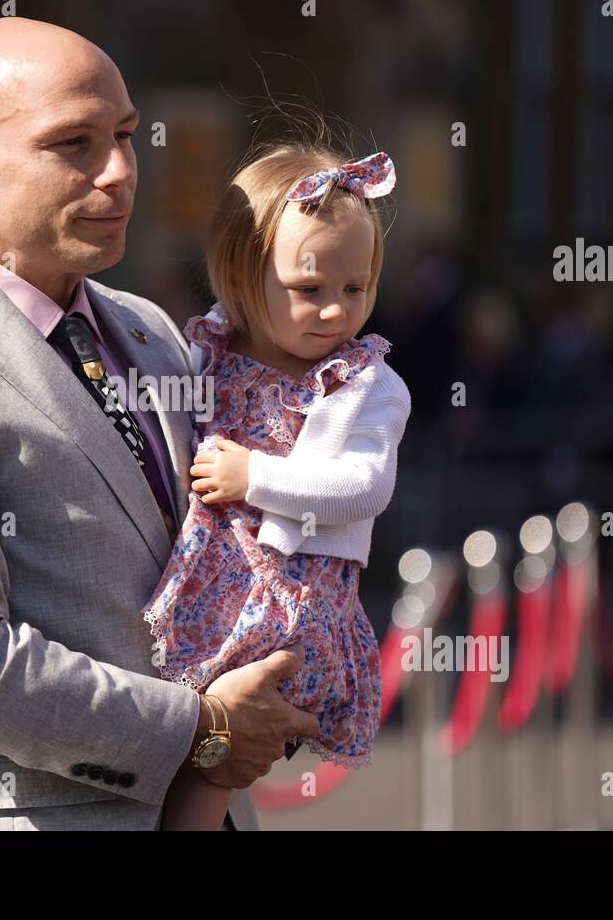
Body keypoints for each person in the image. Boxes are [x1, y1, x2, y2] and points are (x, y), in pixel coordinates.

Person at [0, 17, 320, 831]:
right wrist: (205, 730)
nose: (118, 171)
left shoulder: (149, 329)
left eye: (125, 135)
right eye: (72, 144)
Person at [144, 144, 412, 829]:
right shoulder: (207, 352)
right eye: (309, 289)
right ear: (243, 276)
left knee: (220, 754)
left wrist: (255, 476)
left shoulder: (362, 382)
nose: (335, 311)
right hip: (205, 579)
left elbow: (364, 486)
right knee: (172, 736)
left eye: (355, 289)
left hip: (286, 596)